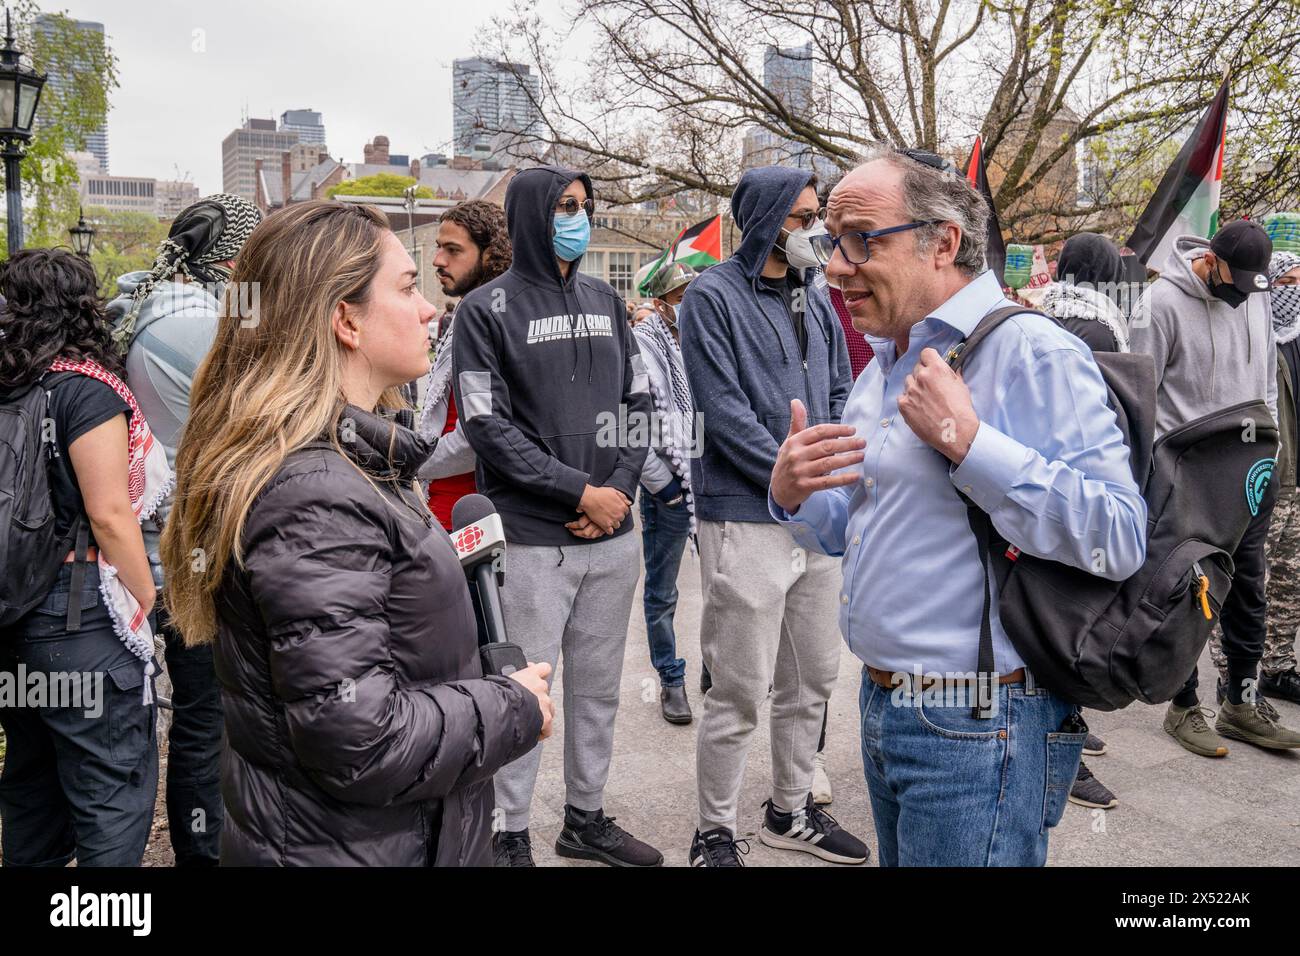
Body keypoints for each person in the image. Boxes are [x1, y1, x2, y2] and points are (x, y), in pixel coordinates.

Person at [770, 146, 1146, 866]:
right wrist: (793, 495)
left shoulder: (1032, 350)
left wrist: (972, 446)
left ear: (942, 242)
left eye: (857, 240)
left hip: (979, 722)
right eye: (829, 242)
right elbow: (855, 527)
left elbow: (1119, 534)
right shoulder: (887, 361)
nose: (835, 266)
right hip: (886, 709)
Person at [160, 199, 552, 866]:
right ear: (345, 319)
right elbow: (361, 743)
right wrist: (510, 705)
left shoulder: (355, 461)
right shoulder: (314, 497)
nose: (429, 308)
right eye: (406, 287)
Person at [453, 165, 664, 868]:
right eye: (564, 206)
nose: (577, 217)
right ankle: (509, 834)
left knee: (599, 689)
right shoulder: (483, 310)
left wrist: (620, 495)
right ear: (530, 217)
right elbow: (486, 425)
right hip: (534, 542)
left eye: (584, 206)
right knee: (523, 692)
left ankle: (586, 818)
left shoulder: (609, 300)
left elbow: (641, 406)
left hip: (614, 536)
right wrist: (579, 493)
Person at [680, 165, 868, 867]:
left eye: (817, 215)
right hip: (746, 517)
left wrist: (832, 475)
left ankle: (790, 810)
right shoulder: (710, 297)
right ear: (762, 220)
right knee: (738, 690)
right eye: (801, 217)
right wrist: (790, 473)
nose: (815, 231)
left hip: (816, 521)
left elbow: (844, 385)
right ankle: (714, 833)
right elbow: (720, 410)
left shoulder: (816, 295)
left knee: (812, 679)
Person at [106, 192, 262, 866]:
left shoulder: (139, 304)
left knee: (185, 717)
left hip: (144, 552)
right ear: (230, 259)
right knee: (208, 720)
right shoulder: (204, 322)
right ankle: (206, 854)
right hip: (194, 554)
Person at [0, 249, 161, 866]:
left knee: (32, 793)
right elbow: (110, 513)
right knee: (110, 797)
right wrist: (144, 593)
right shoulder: (86, 392)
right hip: (76, 618)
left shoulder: (10, 385)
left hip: (14, 624)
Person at [1130, 220, 1300, 755]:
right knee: (1187, 592)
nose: (1241, 294)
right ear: (1211, 259)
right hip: (1188, 474)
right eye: (1235, 280)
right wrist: (1158, 472)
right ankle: (1183, 708)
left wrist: (1270, 450)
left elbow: (1263, 381)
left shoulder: (1252, 293)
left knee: (1249, 591)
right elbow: (1141, 398)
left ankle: (1241, 703)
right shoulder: (1159, 305)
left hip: (1250, 471)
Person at [1040, 230, 1133, 811]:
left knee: (1054, 623)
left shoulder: (1047, 314)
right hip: (1082, 499)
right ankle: (1064, 756)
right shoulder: (1097, 329)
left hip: (1047, 498)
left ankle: (1065, 728)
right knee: (1071, 625)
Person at [1209, 250, 1300, 704]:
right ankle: (1232, 675)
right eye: (1288, 283)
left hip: (1294, 480)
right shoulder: (1252, 332)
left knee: (1288, 582)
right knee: (1246, 579)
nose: (1295, 292)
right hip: (1261, 479)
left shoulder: (1297, 340)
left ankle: (1279, 667)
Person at [416, 199, 512, 531]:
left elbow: (480, 438)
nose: (437, 260)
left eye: (453, 250)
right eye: (439, 247)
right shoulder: (473, 310)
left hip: (468, 517)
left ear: (490, 253)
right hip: (443, 505)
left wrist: (409, 463)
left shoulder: (494, 317)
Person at [630, 260, 698, 724]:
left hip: (708, 479)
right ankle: (671, 679)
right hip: (669, 490)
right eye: (680, 298)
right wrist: (667, 487)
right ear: (661, 303)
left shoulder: (699, 339)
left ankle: (716, 667)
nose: (688, 305)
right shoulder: (643, 346)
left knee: (724, 586)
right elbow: (634, 429)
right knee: (663, 593)